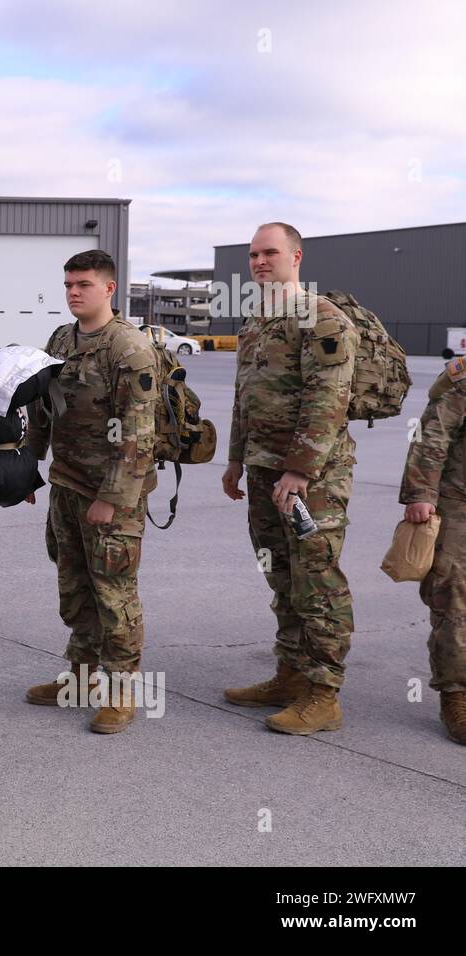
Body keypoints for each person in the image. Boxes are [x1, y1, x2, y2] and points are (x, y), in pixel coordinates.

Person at [222, 222, 359, 735]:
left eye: (270, 252)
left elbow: (328, 398)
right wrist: (235, 461)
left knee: (317, 580)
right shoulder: (257, 320)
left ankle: (324, 695)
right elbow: (245, 397)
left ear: (296, 256)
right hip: (261, 471)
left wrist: (299, 469)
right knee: (281, 575)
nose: (260, 261)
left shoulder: (324, 320)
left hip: (312, 479)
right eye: (253, 254)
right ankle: (290, 674)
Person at [24, 250, 158, 733]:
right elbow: (43, 400)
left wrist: (111, 497)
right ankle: (81, 680)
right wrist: (29, 467)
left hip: (110, 493)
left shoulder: (129, 349)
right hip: (66, 482)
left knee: (114, 593)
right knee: (75, 587)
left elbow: (139, 437)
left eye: (83, 283)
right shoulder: (62, 338)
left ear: (109, 289)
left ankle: (121, 691)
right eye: (68, 284)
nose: (73, 292)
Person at [399, 356, 466, 744]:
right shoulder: (460, 380)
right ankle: (456, 695)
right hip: (458, 503)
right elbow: (433, 434)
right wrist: (422, 493)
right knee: (452, 596)